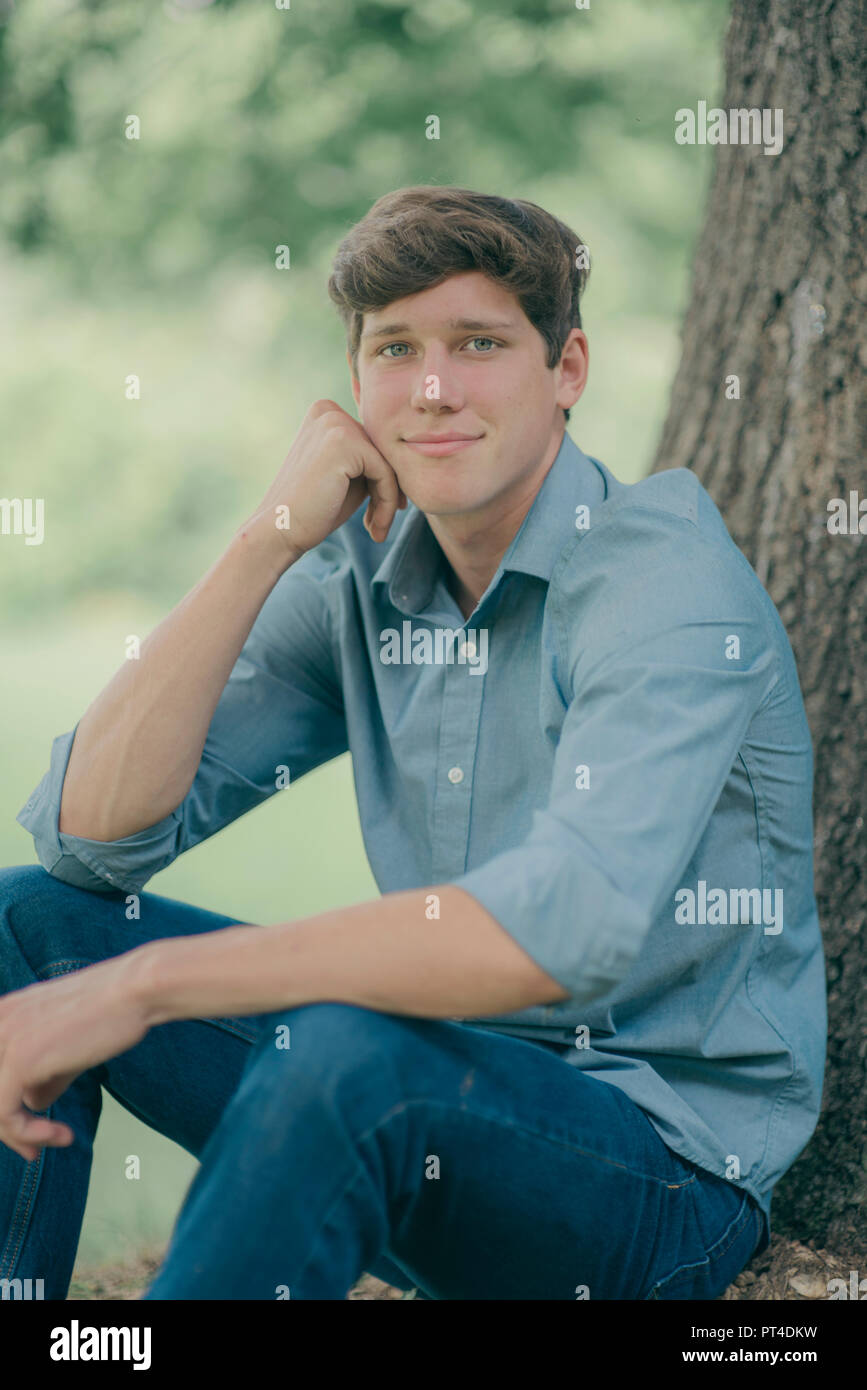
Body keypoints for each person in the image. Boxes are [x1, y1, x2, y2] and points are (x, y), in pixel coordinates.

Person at [0, 186, 826, 1300]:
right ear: (355, 384)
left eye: (478, 343)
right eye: (395, 348)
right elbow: (90, 841)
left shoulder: (660, 582)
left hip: (657, 1176)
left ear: (567, 368)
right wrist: (266, 539)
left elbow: (560, 927)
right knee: (30, 922)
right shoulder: (361, 572)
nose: (433, 388)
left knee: (350, 1050)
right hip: (416, 1102)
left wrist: (147, 984)